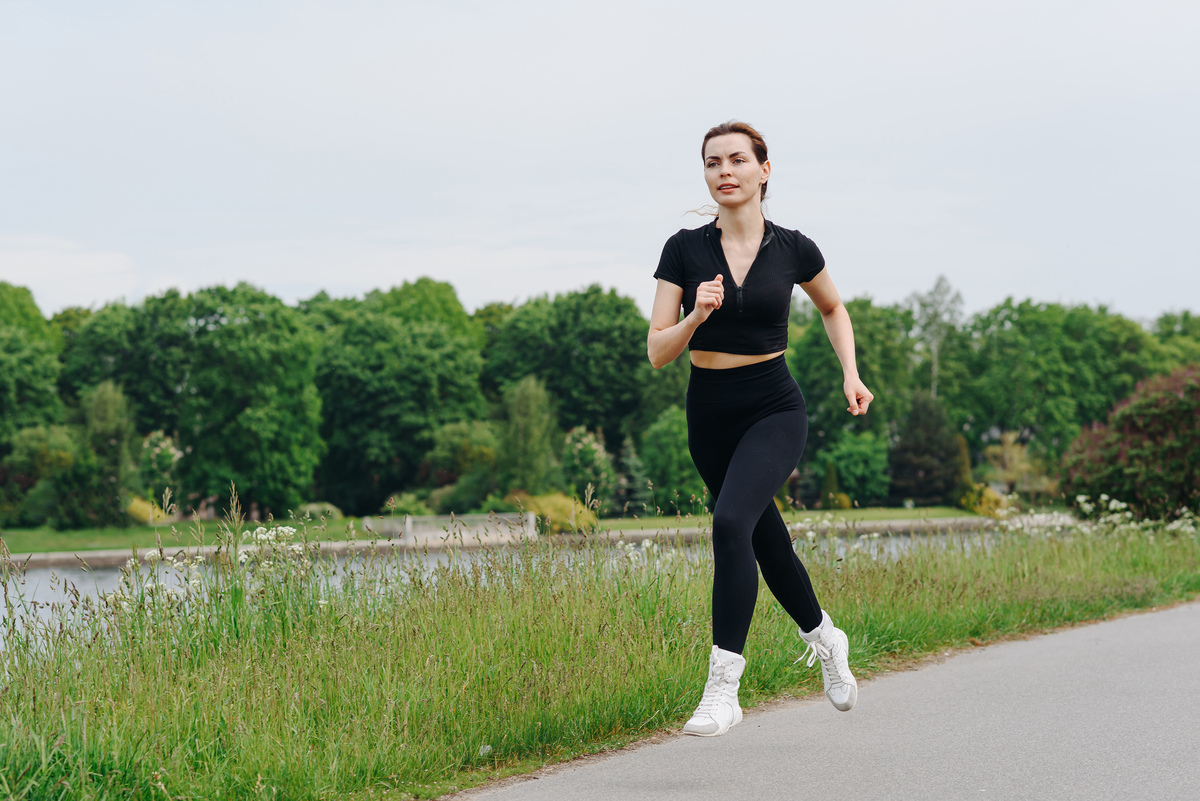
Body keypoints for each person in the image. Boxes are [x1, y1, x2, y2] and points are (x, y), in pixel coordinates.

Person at [646, 121, 874, 737]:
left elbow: (832, 306)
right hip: (709, 413)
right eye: (712, 162)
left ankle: (723, 688)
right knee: (766, 542)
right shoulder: (683, 250)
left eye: (737, 160)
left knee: (728, 524)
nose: (724, 170)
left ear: (763, 170)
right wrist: (696, 314)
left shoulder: (794, 248)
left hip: (774, 405)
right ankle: (825, 639)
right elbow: (658, 352)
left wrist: (851, 373)